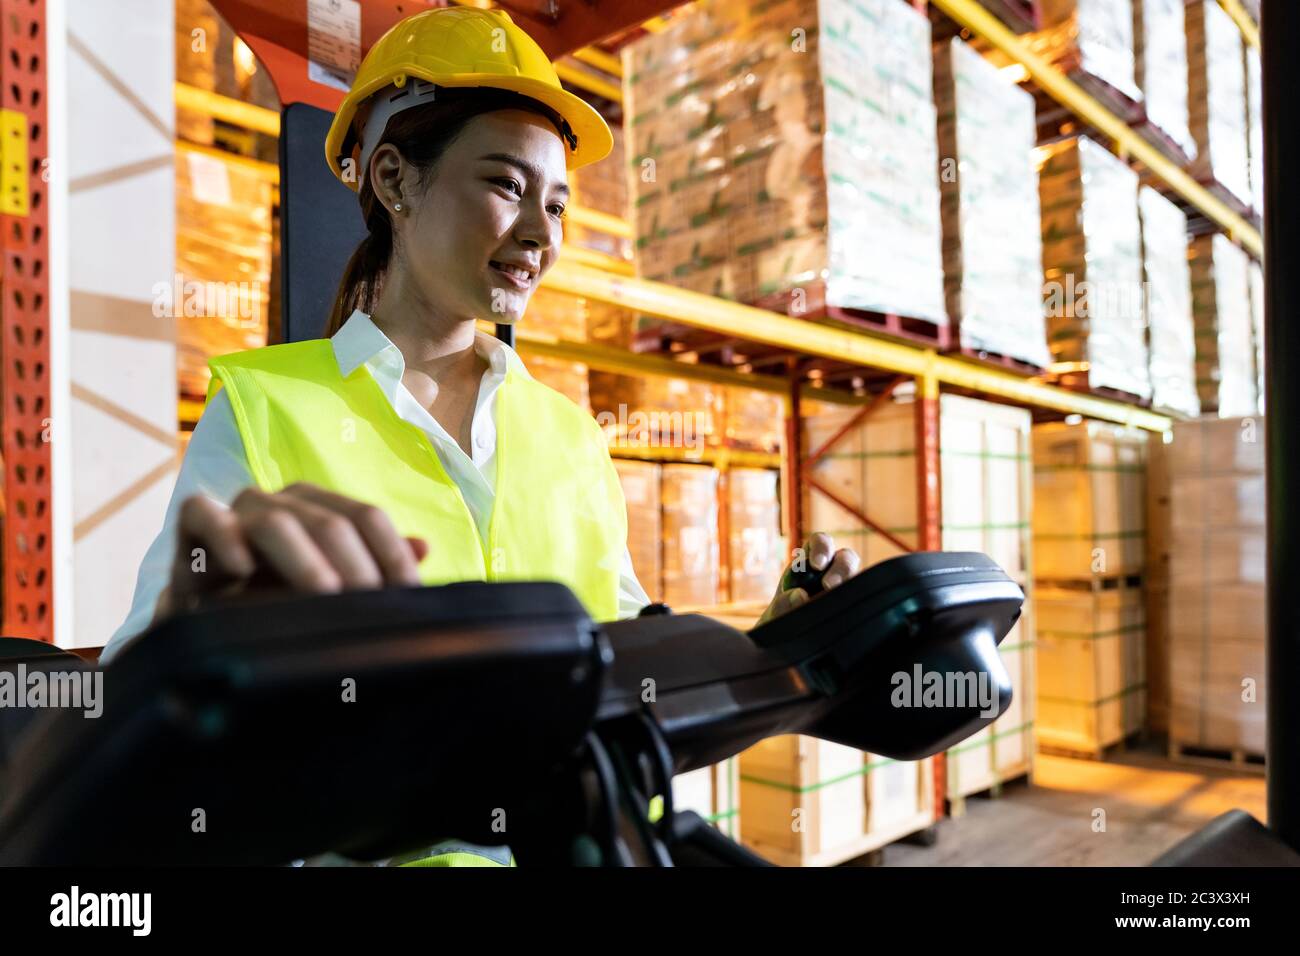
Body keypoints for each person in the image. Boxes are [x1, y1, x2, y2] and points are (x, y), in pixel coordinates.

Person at [102, 5, 860, 864]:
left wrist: (776, 644)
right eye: (506, 185)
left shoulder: (568, 435)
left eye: (559, 205)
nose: (542, 234)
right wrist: (216, 643)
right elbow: (140, 698)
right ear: (393, 180)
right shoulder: (267, 408)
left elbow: (622, 671)